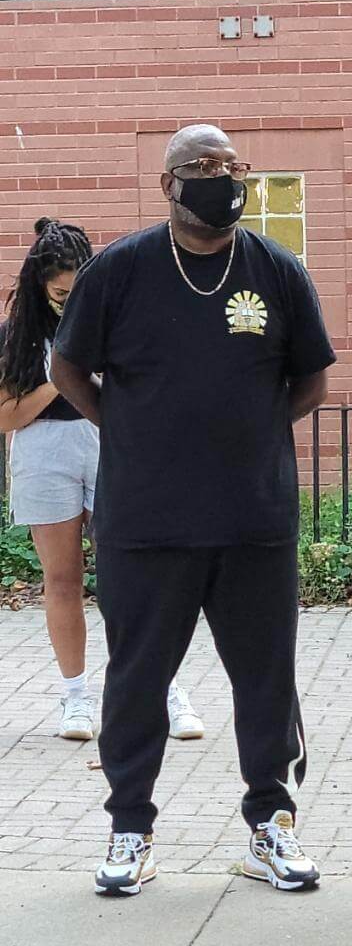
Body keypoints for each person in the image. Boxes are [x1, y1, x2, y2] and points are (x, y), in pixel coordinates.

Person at [52, 124, 335, 897]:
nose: (219, 179)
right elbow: (67, 365)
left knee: (267, 681)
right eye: (201, 167)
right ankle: (130, 829)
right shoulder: (118, 270)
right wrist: (126, 426)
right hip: (146, 521)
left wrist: (255, 430)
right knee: (138, 682)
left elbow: (309, 378)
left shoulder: (276, 269)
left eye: (229, 166)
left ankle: (271, 826)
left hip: (254, 518)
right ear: (169, 183)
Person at [0, 218, 203, 743]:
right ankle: (75, 699)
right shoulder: (19, 334)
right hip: (44, 449)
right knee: (62, 578)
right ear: (38, 283)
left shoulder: (114, 316)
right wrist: (57, 376)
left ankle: (164, 689)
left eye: (75, 290)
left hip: (108, 442)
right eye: (57, 293)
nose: (67, 302)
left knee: (133, 573)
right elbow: (6, 416)